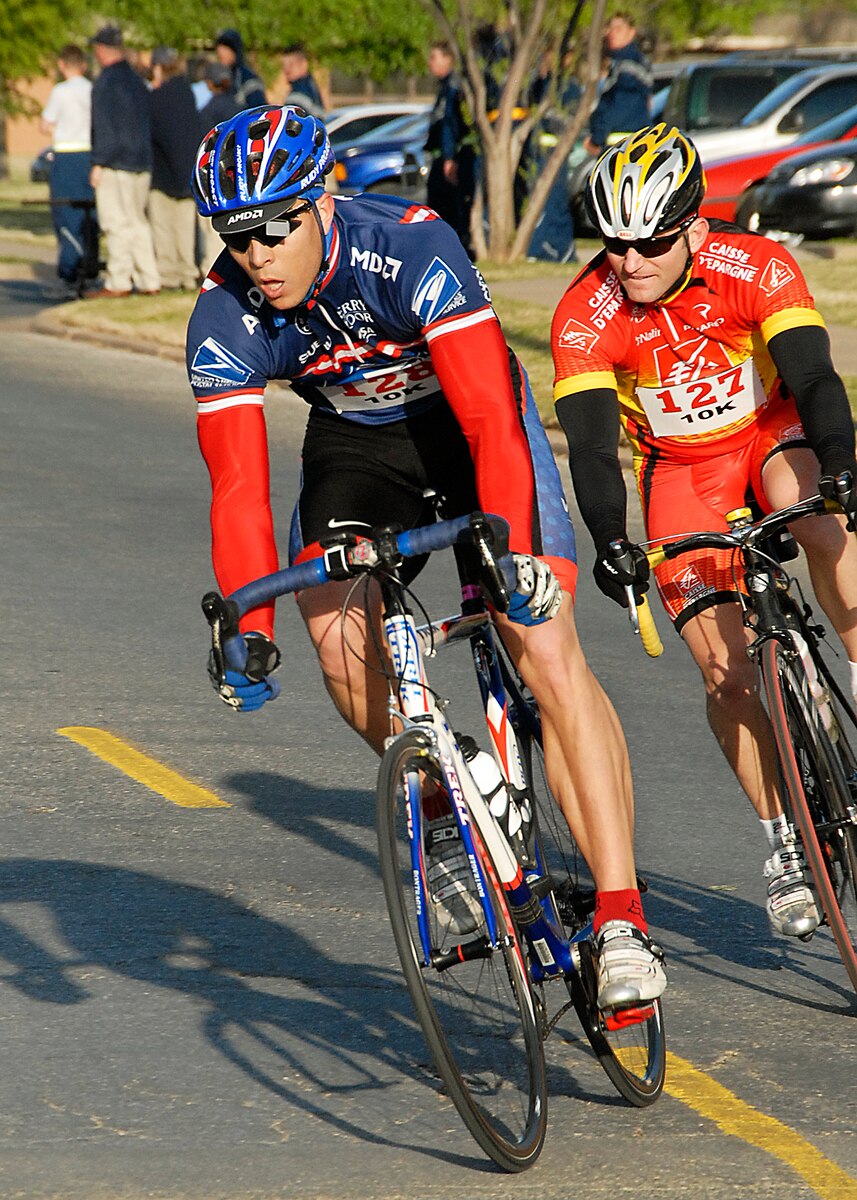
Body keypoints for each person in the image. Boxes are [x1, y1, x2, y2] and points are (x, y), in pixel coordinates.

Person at [186, 104, 666, 1011]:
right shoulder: (224, 315)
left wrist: (520, 556)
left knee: (544, 644)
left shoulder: (407, 247)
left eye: (274, 227)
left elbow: (489, 415)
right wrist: (247, 621)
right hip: (357, 448)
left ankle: (620, 917)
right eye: (235, 235)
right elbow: (238, 491)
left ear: (319, 201)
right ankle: (449, 797)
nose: (256, 253)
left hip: (466, 425)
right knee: (329, 627)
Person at [551, 123, 857, 941]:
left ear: (693, 227)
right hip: (681, 472)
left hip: (770, 432)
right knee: (724, 676)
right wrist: (609, 539)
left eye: (650, 241)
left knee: (822, 521)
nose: (630, 260)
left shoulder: (752, 264)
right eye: (613, 242)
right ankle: (783, 841)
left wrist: (840, 465)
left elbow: (814, 375)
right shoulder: (586, 311)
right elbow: (587, 445)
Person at [88, 24, 160, 297]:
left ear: (101, 50)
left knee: (115, 222)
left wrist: (99, 162)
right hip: (141, 160)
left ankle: (118, 281)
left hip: (115, 161)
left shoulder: (105, 82)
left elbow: (104, 126)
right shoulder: (136, 80)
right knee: (138, 221)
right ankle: (149, 279)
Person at [40, 44, 95, 294]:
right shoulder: (92, 89)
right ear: (82, 65)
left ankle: (70, 270)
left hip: (66, 154)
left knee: (65, 212)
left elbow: (46, 123)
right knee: (89, 213)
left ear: (63, 65)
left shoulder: (60, 92)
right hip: (90, 154)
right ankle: (90, 265)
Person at [148, 47, 199, 291]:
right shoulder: (187, 94)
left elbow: (156, 134)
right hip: (188, 173)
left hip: (163, 174)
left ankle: (168, 274)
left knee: (164, 228)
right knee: (185, 230)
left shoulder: (157, 98)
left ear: (158, 68)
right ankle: (188, 274)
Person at [424, 41, 476, 261]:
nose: (430, 63)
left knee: (452, 210)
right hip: (443, 156)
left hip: (455, 158)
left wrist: (449, 158)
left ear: (448, 59)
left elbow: (451, 125)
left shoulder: (454, 87)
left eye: (434, 57)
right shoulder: (445, 86)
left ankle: (456, 252)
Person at [582, 14, 651, 159]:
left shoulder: (628, 64)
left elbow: (620, 105)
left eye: (618, 28)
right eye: (610, 28)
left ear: (632, 32)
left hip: (622, 146)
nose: (612, 33)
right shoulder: (623, 62)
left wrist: (597, 138)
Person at [214, 29, 267, 111]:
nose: (221, 53)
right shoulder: (225, 78)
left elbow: (259, 112)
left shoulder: (248, 79)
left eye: (226, 49)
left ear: (235, 51)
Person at [281, 42, 324, 118]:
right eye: (284, 65)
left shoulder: (300, 92)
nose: (287, 70)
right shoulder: (311, 86)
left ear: (304, 64)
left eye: (291, 65)